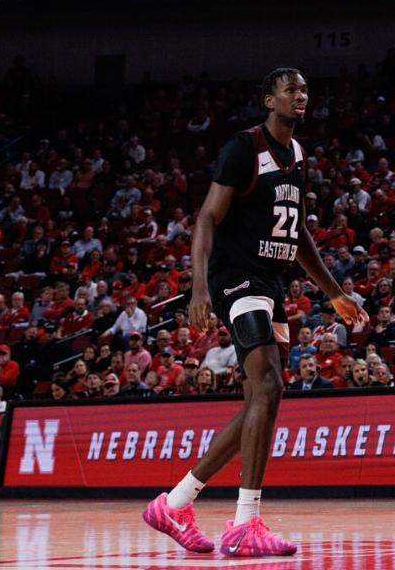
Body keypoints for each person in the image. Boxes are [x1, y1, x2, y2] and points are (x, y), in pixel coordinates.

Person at [144, 68, 366, 557]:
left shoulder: (299, 156)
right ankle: (245, 521)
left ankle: (175, 503)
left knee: (260, 402)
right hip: (235, 277)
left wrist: (333, 292)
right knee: (267, 386)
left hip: (270, 283)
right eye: (291, 89)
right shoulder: (243, 148)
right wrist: (199, 289)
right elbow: (206, 217)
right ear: (269, 100)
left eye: (306, 89)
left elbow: (299, 234)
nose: (301, 96)